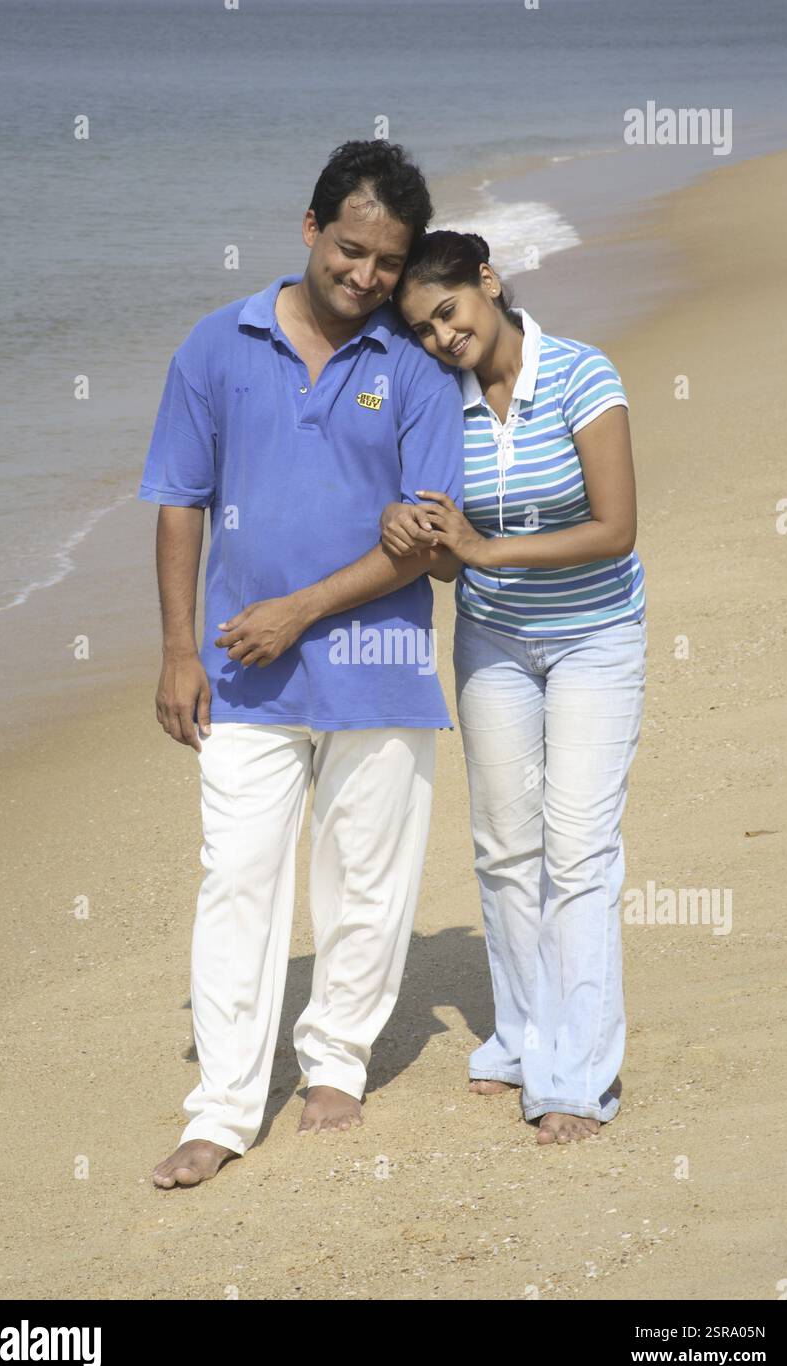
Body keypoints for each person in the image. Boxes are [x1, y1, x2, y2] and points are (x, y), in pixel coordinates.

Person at [139, 142, 463, 1188]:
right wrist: (180, 647)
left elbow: (423, 533)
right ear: (311, 226)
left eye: (385, 261)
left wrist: (303, 609)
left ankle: (335, 1059)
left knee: (366, 878)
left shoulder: (413, 366)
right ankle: (224, 1106)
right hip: (240, 670)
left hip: (380, 661)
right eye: (350, 248)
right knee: (237, 876)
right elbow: (180, 498)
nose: (365, 276)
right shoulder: (215, 344)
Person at [381, 231, 646, 1144]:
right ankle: (523, 1035)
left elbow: (616, 529)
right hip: (492, 639)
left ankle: (577, 1079)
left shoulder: (580, 373)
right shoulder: (437, 405)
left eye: (448, 312)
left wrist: (488, 548)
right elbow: (454, 564)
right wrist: (424, 534)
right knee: (502, 846)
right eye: (420, 329)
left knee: (575, 852)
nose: (440, 337)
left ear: (487, 283)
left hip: (596, 640)